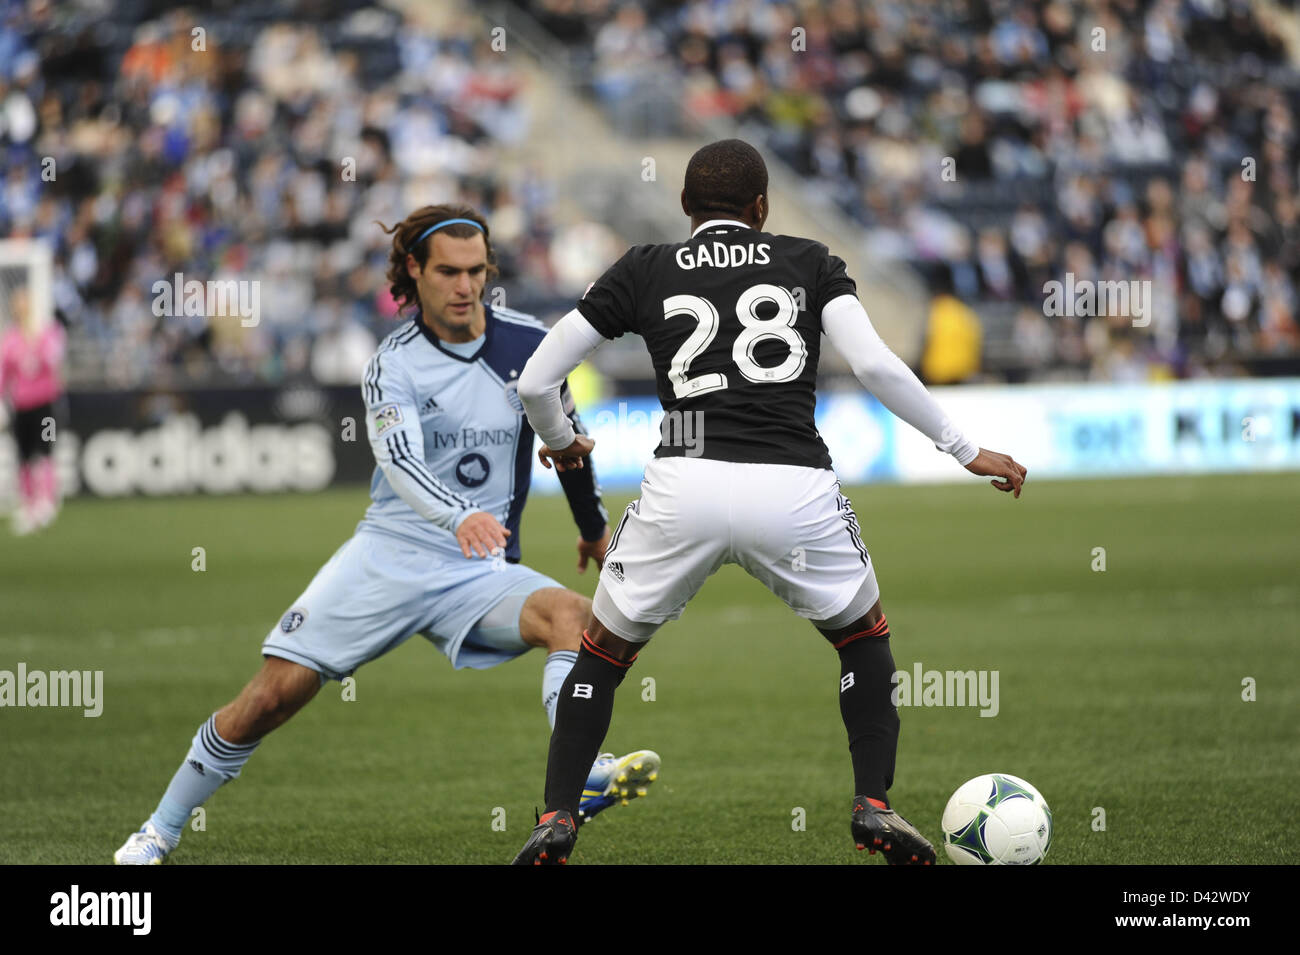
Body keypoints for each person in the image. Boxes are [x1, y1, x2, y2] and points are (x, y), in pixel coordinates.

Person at [512, 141, 1026, 865]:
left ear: (686, 208)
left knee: (599, 656)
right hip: (793, 485)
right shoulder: (809, 260)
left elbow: (536, 379)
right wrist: (964, 447)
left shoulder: (645, 266)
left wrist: (563, 441)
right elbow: (875, 363)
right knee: (862, 638)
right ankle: (872, 803)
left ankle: (559, 817)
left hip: (682, 483)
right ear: (761, 209)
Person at [114, 204, 658, 864]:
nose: (465, 287)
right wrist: (459, 514)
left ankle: (583, 769)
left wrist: (594, 530)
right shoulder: (392, 362)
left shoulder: (531, 348)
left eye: (477, 272)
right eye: (449, 272)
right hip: (389, 555)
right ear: (413, 272)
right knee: (269, 698)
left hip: (478, 570)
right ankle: (157, 831)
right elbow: (398, 461)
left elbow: (566, 442)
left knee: (573, 616)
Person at [0, 286, 66, 535]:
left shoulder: (47, 333)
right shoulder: (10, 339)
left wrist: (36, 341)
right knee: (24, 455)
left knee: (45, 451)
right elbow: (3, 373)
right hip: (21, 406)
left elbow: (54, 360)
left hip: (45, 405)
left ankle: (46, 501)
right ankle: (28, 504)